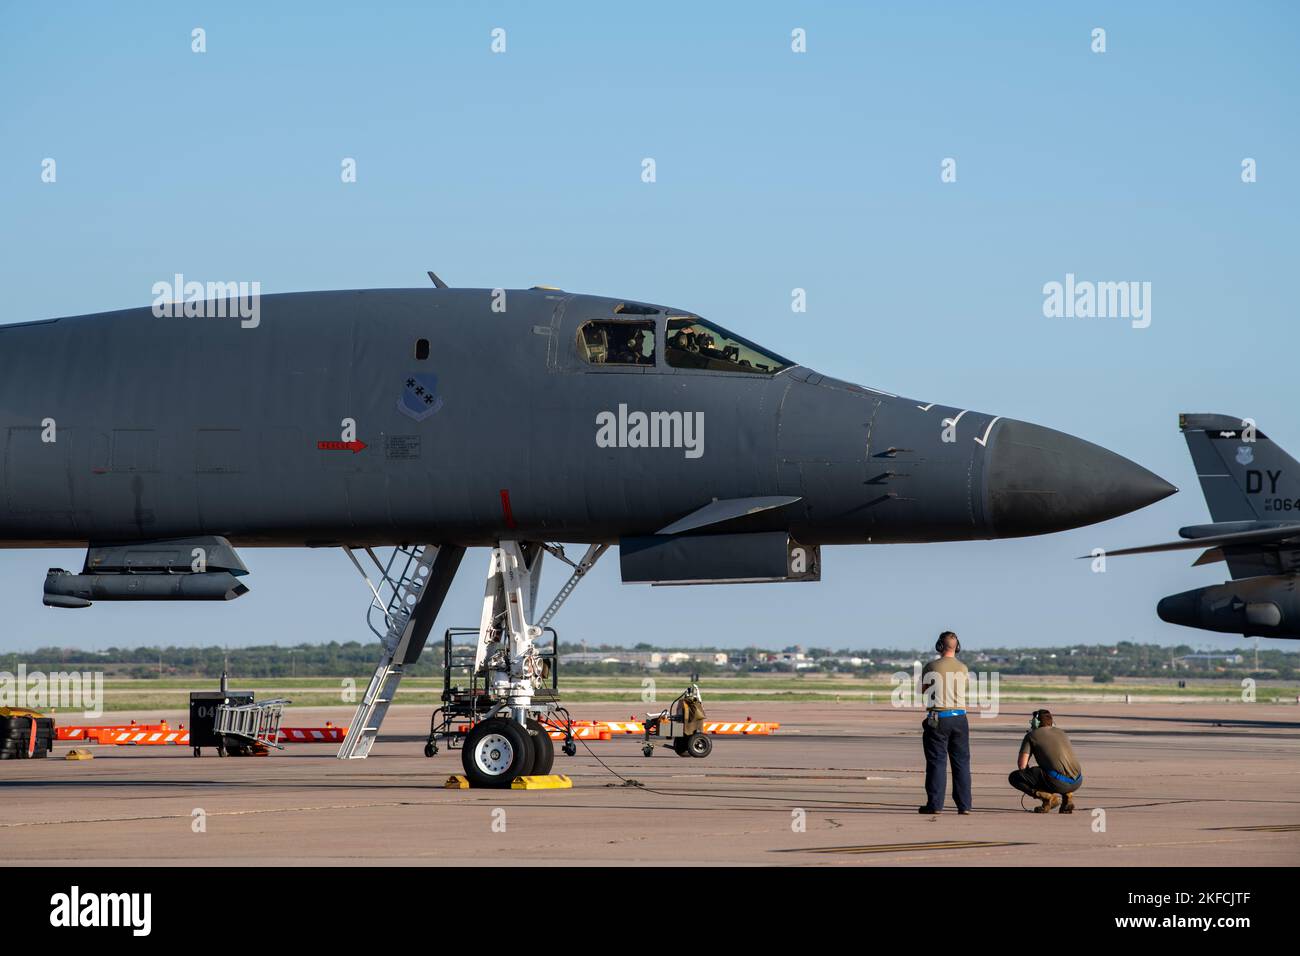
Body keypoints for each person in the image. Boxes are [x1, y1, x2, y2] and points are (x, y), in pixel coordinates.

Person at [918, 631, 971, 815]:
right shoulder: (963, 668)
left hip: (939, 718)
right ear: (957, 646)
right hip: (960, 718)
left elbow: (923, 690)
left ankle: (935, 805)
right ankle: (964, 806)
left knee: (937, 763)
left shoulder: (931, 666)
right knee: (962, 763)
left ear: (940, 646)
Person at [1008, 709, 1082, 813]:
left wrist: (1030, 777)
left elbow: (1022, 765)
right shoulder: (1062, 732)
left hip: (1058, 782)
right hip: (1077, 781)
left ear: (1036, 722)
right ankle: (1068, 797)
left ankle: (1048, 798)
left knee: (1015, 777)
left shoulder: (1032, 735)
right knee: (1051, 770)